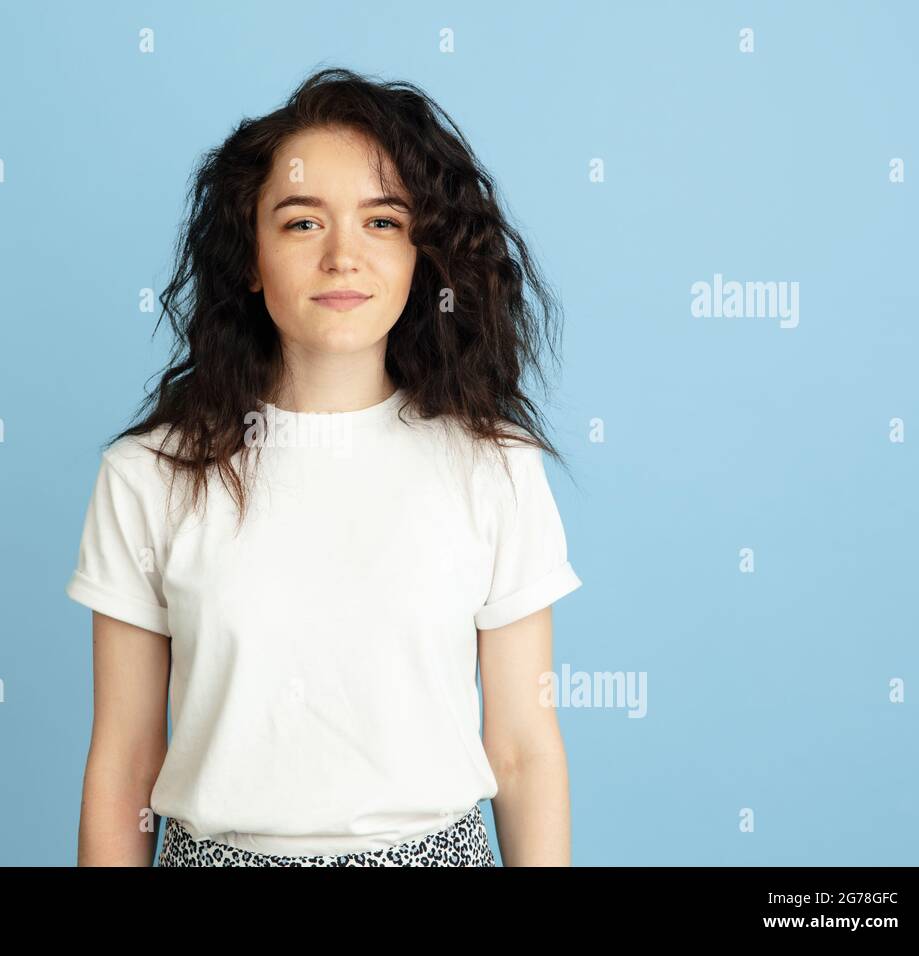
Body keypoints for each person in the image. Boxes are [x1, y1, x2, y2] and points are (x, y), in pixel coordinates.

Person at [67, 67, 583, 867]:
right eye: (303, 223)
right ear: (250, 257)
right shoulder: (147, 475)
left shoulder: (496, 467)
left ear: (422, 255)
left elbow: (522, 748)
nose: (344, 256)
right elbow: (125, 759)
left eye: (382, 222)